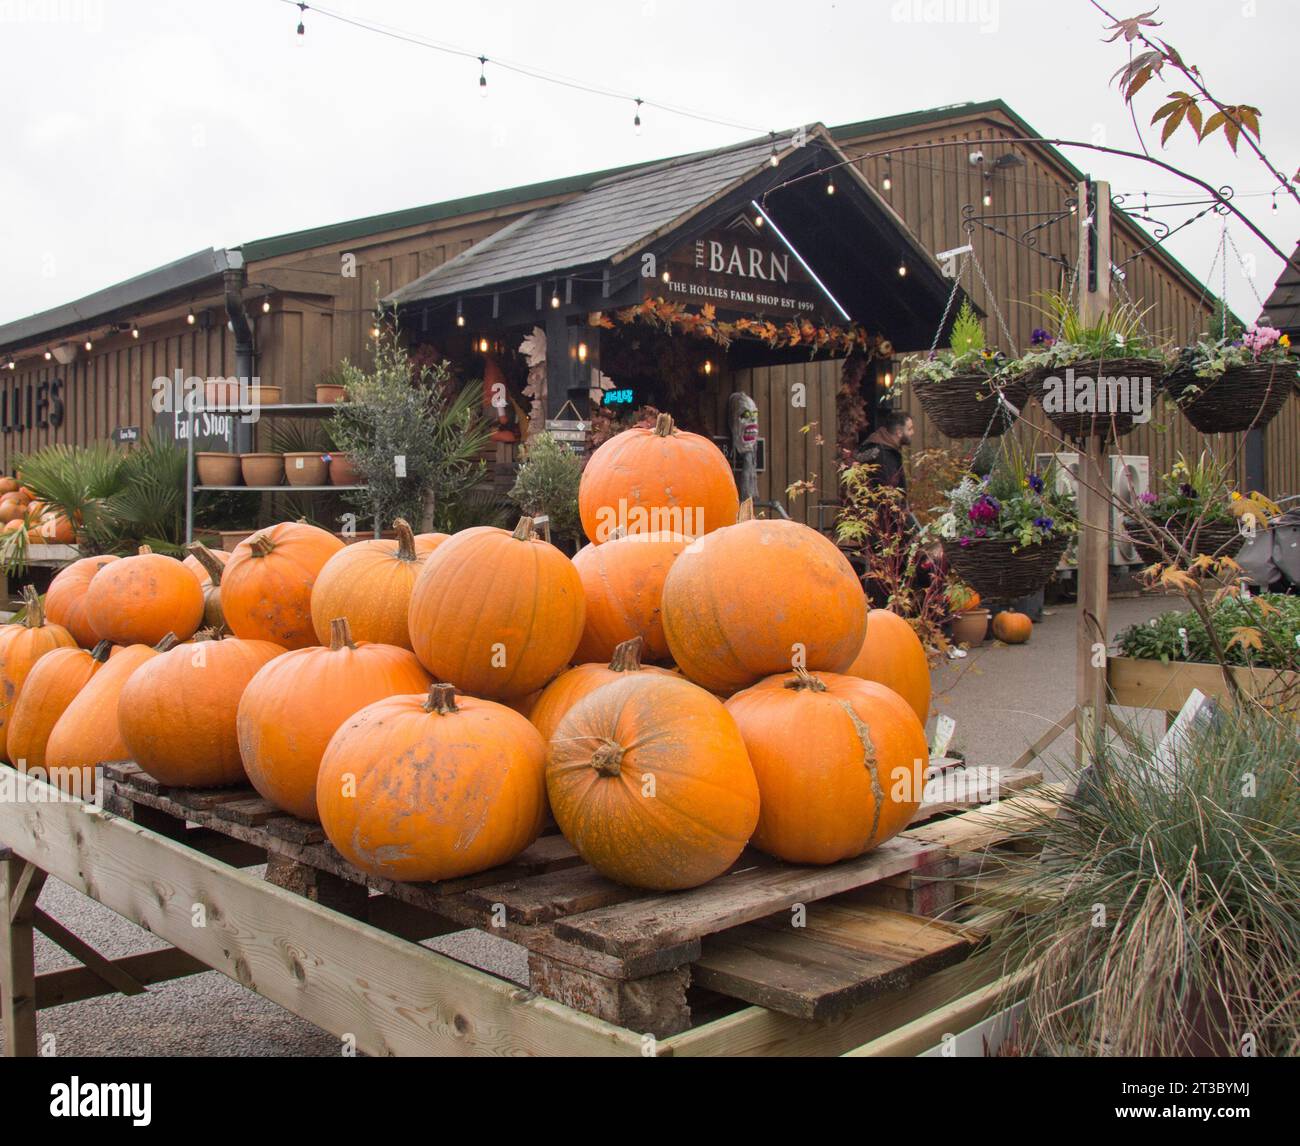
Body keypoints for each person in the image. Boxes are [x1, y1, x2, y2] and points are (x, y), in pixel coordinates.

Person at [854, 410, 914, 491]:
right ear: (899, 432)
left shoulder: (877, 447)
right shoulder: (884, 455)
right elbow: (888, 492)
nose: (913, 432)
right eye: (910, 429)